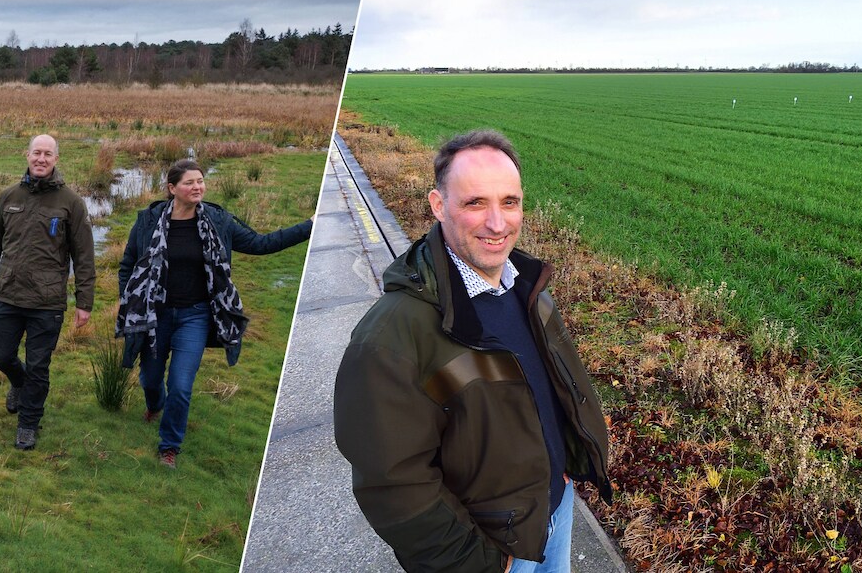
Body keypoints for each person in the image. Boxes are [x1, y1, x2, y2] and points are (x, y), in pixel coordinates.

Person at [333, 130, 612, 572]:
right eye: (475, 203)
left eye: (509, 202)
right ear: (438, 205)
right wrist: (480, 563)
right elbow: (393, 483)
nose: (498, 224)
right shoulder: (390, 337)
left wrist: (563, 460)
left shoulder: (527, 288)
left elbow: (547, 389)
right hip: (494, 549)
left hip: (553, 509)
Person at [116, 159, 311, 469]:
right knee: (151, 379)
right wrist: (128, 301)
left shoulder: (218, 222)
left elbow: (262, 244)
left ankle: (169, 447)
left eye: (200, 181)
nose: (197, 187)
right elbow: (128, 264)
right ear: (172, 188)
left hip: (195, 316)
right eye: (189, 182)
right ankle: (155, 405)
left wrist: (311, 224)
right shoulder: (148, 221)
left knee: (181, 385)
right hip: (155, 315)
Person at [0, 134, 95, 451]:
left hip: (47, 301)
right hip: (9, 293)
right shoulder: (8, 197)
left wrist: (84, 302)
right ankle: (18, 382)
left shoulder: (71, 202)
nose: (41, 159)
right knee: (0, 354)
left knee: (39, 366)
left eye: (48, 154)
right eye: (36, 152)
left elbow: (84, 256)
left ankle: (28, 424)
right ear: (27, 155)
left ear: (56, 159)